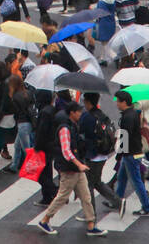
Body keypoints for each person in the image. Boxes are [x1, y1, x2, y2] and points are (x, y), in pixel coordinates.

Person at [38, 101, 108, 236]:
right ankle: (45, 220)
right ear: (72, 113)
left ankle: (91, 224)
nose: (81, 114)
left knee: (86, 197)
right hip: (69, 169)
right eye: (78, 112)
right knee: (62, 197)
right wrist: (79, 164)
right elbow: (66, 152)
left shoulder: (74, 126)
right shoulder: (65, 129)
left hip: (76, 169)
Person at [114, 90, 149, 216]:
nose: (117, 104)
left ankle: (147, 207)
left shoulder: (127, 117)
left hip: (130, 153)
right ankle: (116, 201)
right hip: (133, 151)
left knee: (136, 181)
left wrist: (120, 153)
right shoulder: (132, 114)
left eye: (118, 102)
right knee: (122, 178)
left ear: (124, 102)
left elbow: (125, 137)